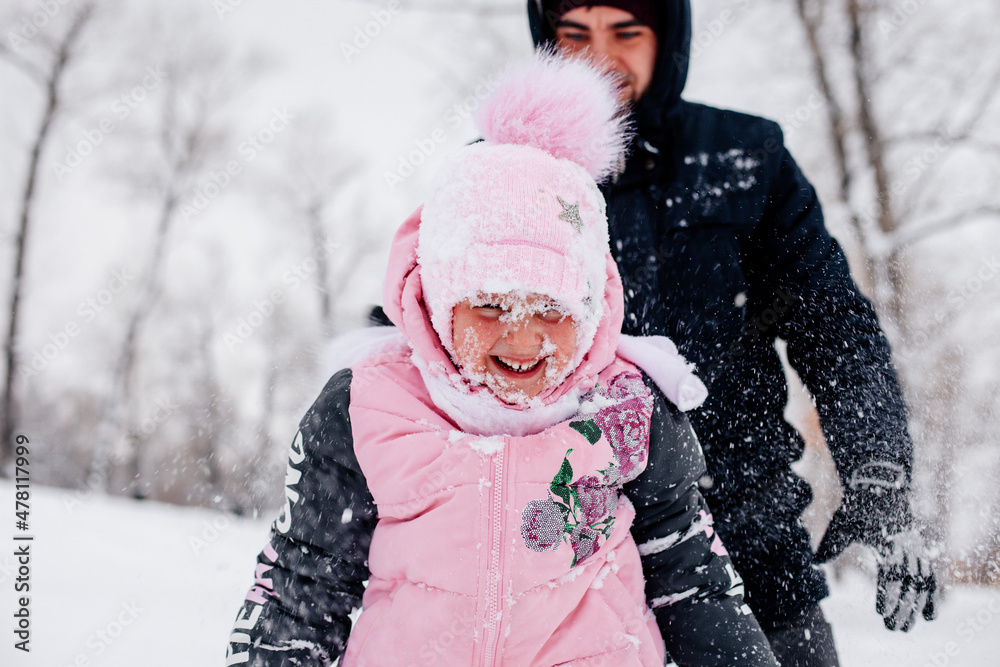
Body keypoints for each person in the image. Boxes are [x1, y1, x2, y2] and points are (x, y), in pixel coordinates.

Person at [227, 52, 780, 666]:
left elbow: (692, 581)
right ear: (436, 298)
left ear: (592, 307)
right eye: (488, 306)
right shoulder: (368, 407)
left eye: (552, 311)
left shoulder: (626, 407)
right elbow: (306, 585)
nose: (521, 341)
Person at [527, 1, 937, 665]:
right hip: (567, 575)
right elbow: (424, 348)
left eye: (626, 33)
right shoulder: (509, 174)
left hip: (755, 556)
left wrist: (878, 472)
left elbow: (834, 327)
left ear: (669, 38)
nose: (601, 57)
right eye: (574, 35)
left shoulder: (747, 158)